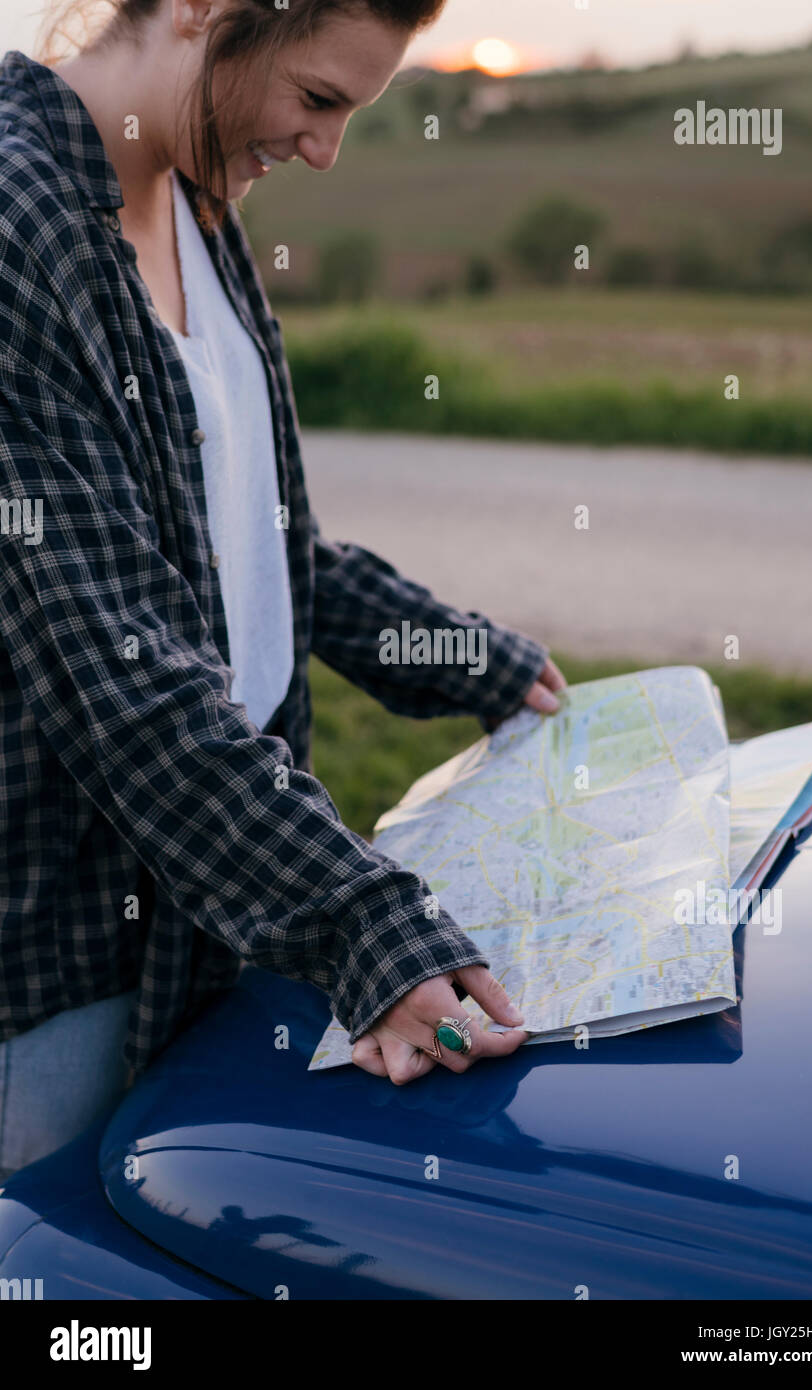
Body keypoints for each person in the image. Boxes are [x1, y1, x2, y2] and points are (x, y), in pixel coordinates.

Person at [0, 0, 566, 1181]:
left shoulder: (199, 205)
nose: (323, 151)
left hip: (227, 887)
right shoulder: (18, 229)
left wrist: (465, 657)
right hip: (65, 952)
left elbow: (254, 546)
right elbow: (118, 662)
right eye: (315, 101)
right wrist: (362, 920)